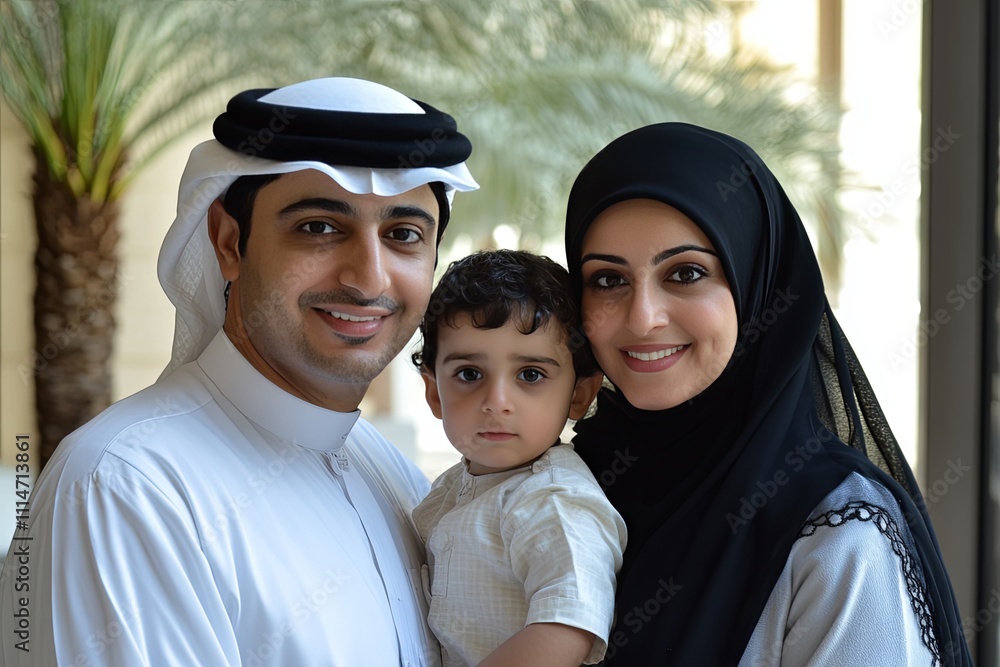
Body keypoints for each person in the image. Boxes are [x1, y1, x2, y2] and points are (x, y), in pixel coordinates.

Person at [0, 76, 479, 666]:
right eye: (319, 228)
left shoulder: (396, 477)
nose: (368, 278)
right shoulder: (125, 488)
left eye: (404, 235)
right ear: (229, 241)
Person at [562, 122, 972, 666]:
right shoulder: (563, 483)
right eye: (608, 280)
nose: (642, 318)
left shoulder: (838, 536)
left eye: (686, 273)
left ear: (758, 285)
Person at [411, 250, 626, 667]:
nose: (497, 401)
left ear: (579, 395)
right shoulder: (448, 491)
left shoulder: (555, 501)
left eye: (530, 375)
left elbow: (568, 628)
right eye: (470, 374)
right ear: (435, 393)